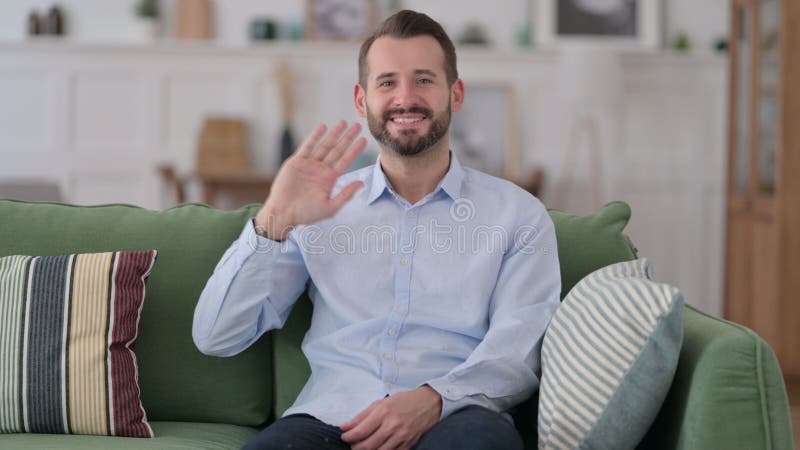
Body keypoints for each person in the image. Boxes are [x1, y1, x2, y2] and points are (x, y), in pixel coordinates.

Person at [192, 10, 560, 450]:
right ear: (361, 99)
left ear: (455, 93)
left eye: (423, 79)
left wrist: (434, 399)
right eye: (387, 82)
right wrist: (274, 218)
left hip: (457, 419)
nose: (406, 98)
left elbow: (517, 351)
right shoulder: (318, 210)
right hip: (330, 421)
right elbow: (217, 336)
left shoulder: (518, 214)